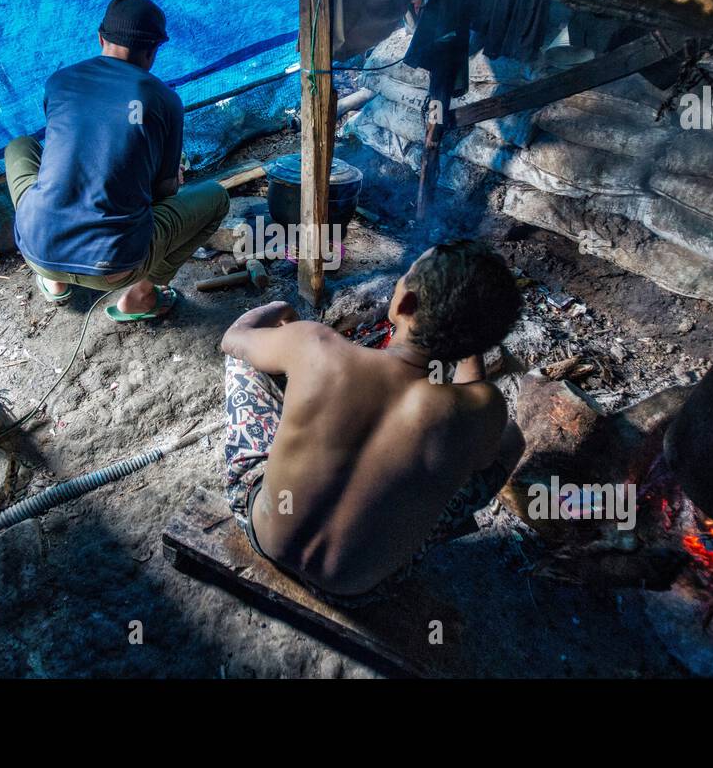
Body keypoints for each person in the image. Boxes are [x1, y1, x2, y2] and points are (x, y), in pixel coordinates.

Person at [220, 239, 525, 604]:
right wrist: (468, 336)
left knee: (244, 361)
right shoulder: (482, 409)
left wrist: (279, 307)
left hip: (265, 535)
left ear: (403, 303)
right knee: (510, 441)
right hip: (361, 588)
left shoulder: (315, 345)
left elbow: (233, 339)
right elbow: (475, 401)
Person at [5, 0, 229, 321]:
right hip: (115, 267)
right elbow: (164, 194)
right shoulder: (164, 99)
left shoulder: (60, 82)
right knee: (217, 199)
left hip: (35, 247)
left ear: (100, 38)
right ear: (153, 52)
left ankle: (53, 280)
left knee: (19, 146)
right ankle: (141, 295)